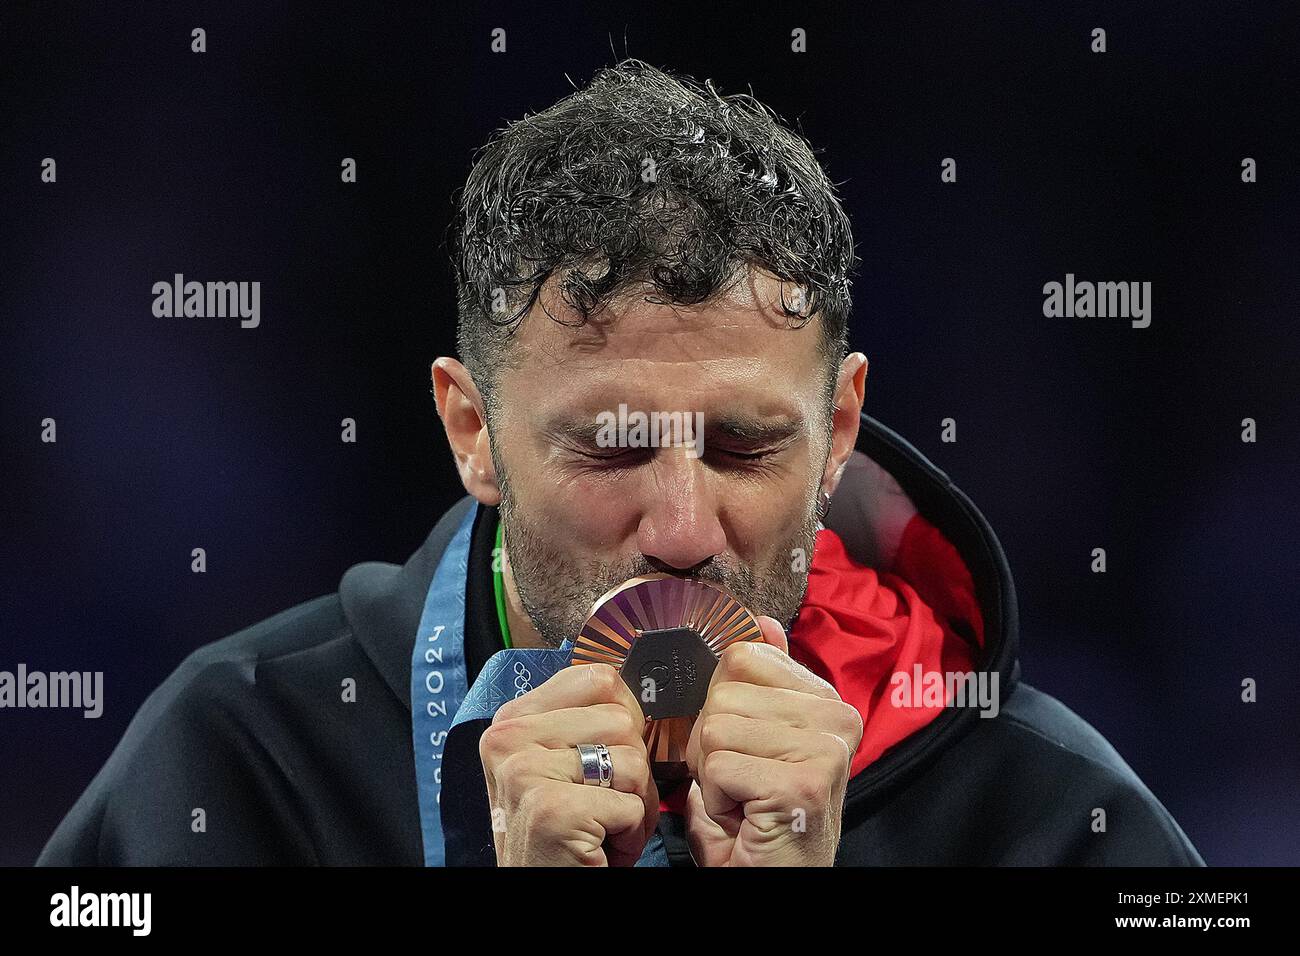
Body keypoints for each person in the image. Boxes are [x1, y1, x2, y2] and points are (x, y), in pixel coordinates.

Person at [39, 59, 1203, 867]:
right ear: (471, 431)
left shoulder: (1047, 814)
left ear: (840, 428)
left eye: (746, 444)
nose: (685, 524)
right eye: (610, 445)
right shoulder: (237, 768)